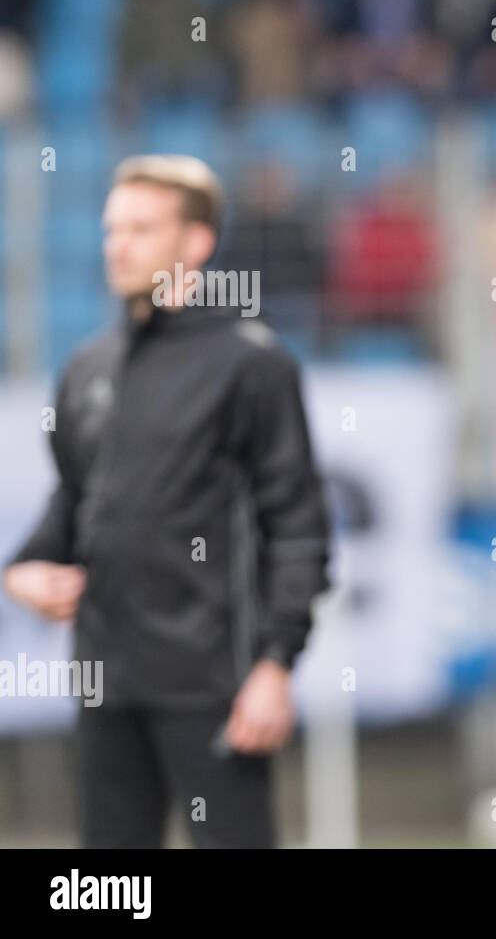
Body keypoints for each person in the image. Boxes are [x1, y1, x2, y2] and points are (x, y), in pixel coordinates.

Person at [2, 154, 332, 848]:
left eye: (141, 228)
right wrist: (24, 568)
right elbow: (75, 497)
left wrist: (274, 664)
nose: (117, 245)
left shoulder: (252, 363)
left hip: (215, 685)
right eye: (111, 229)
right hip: (105, 682)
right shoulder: (88, 365)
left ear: (197, 242)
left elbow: (298, 525)